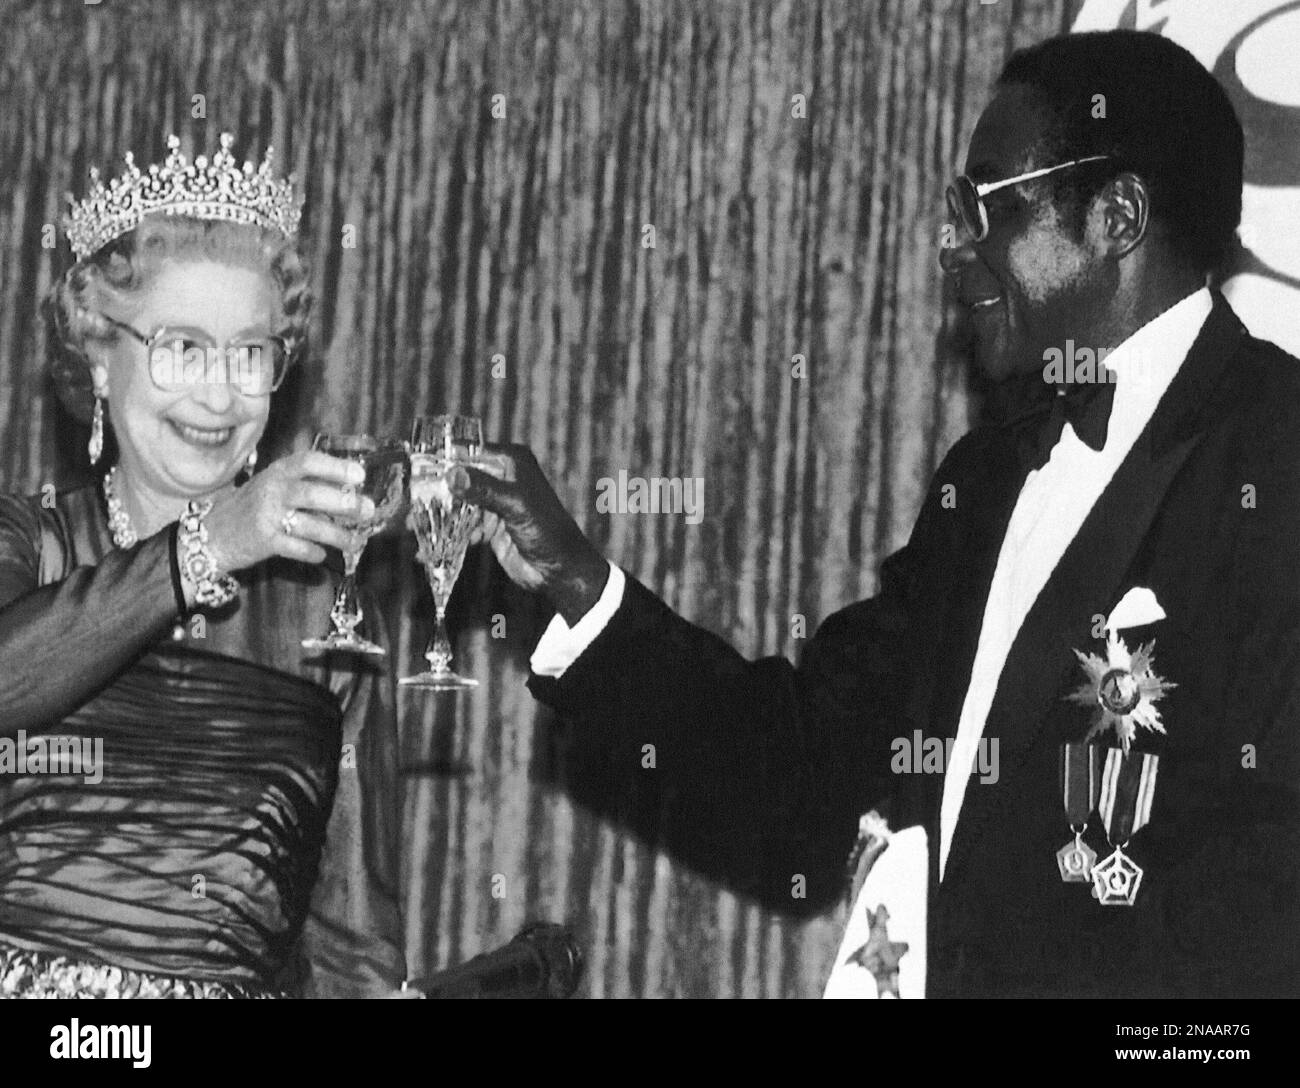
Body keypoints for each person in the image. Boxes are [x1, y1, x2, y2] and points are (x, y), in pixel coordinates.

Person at [455, 30, 1300, 997]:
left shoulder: (1281, 461)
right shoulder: (985, 482)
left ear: (1117, 215)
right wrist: (577, 581)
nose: (953, 251)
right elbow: (801, 773)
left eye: (984, 207)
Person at [0, 134, 406, 997]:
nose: (220, 396)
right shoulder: (24, 543)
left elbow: (352, 946)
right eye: (183, 347)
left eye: (250, 353)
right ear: (99, 357)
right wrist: (207, 544)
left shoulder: (328, 619)